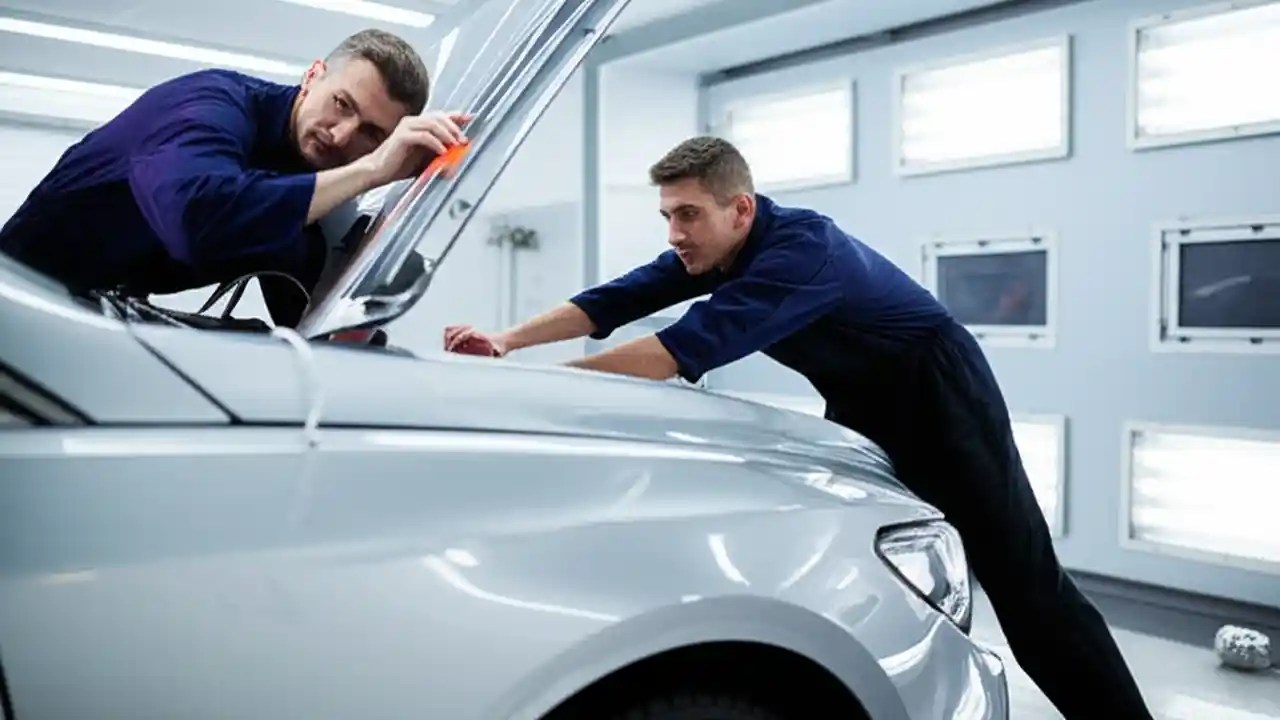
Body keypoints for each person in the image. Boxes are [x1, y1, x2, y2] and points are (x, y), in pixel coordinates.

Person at [443, 136, 1154, 719]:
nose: (674, 233)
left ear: (740, 209)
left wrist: (544, 384)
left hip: (940, 395)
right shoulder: (715, 249)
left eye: (687, 214)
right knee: (880, 563)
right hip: (862, 399)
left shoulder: (800, 252)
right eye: (667, 216)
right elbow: (616, 299)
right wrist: (506, 342)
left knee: (1025, 587)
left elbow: (672, 352)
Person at [0, 29, 469, 327]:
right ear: (313, 76)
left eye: (371, 133)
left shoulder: (303, 181)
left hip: (80, 324)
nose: (342, 134)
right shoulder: (211, 105)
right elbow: (195, 220)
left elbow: (306, 311)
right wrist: (370, 170)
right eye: (342, 104)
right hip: (15, 309)